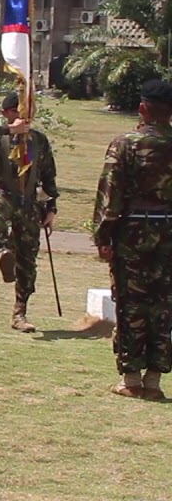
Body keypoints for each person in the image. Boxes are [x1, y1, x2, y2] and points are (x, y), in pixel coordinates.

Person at [94, 79, 172, 399]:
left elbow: (109, 195)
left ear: (142, 108)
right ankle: (154, 381)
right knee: (164, 305)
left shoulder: (125, 144)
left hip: (133, 232)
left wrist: (104, 236)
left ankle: (131, 379)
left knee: (131, 303)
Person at [0, 92, 59, 333]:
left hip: (30, 202)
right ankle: (3, 251)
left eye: (27, 110)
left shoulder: (39, 140)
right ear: (7, 113)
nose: (25, 115)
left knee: (28, 260)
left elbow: (49, 174)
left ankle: (20, 312)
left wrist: (51, 208)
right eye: (18, 110)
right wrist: (11, 130)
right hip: (5, 193)